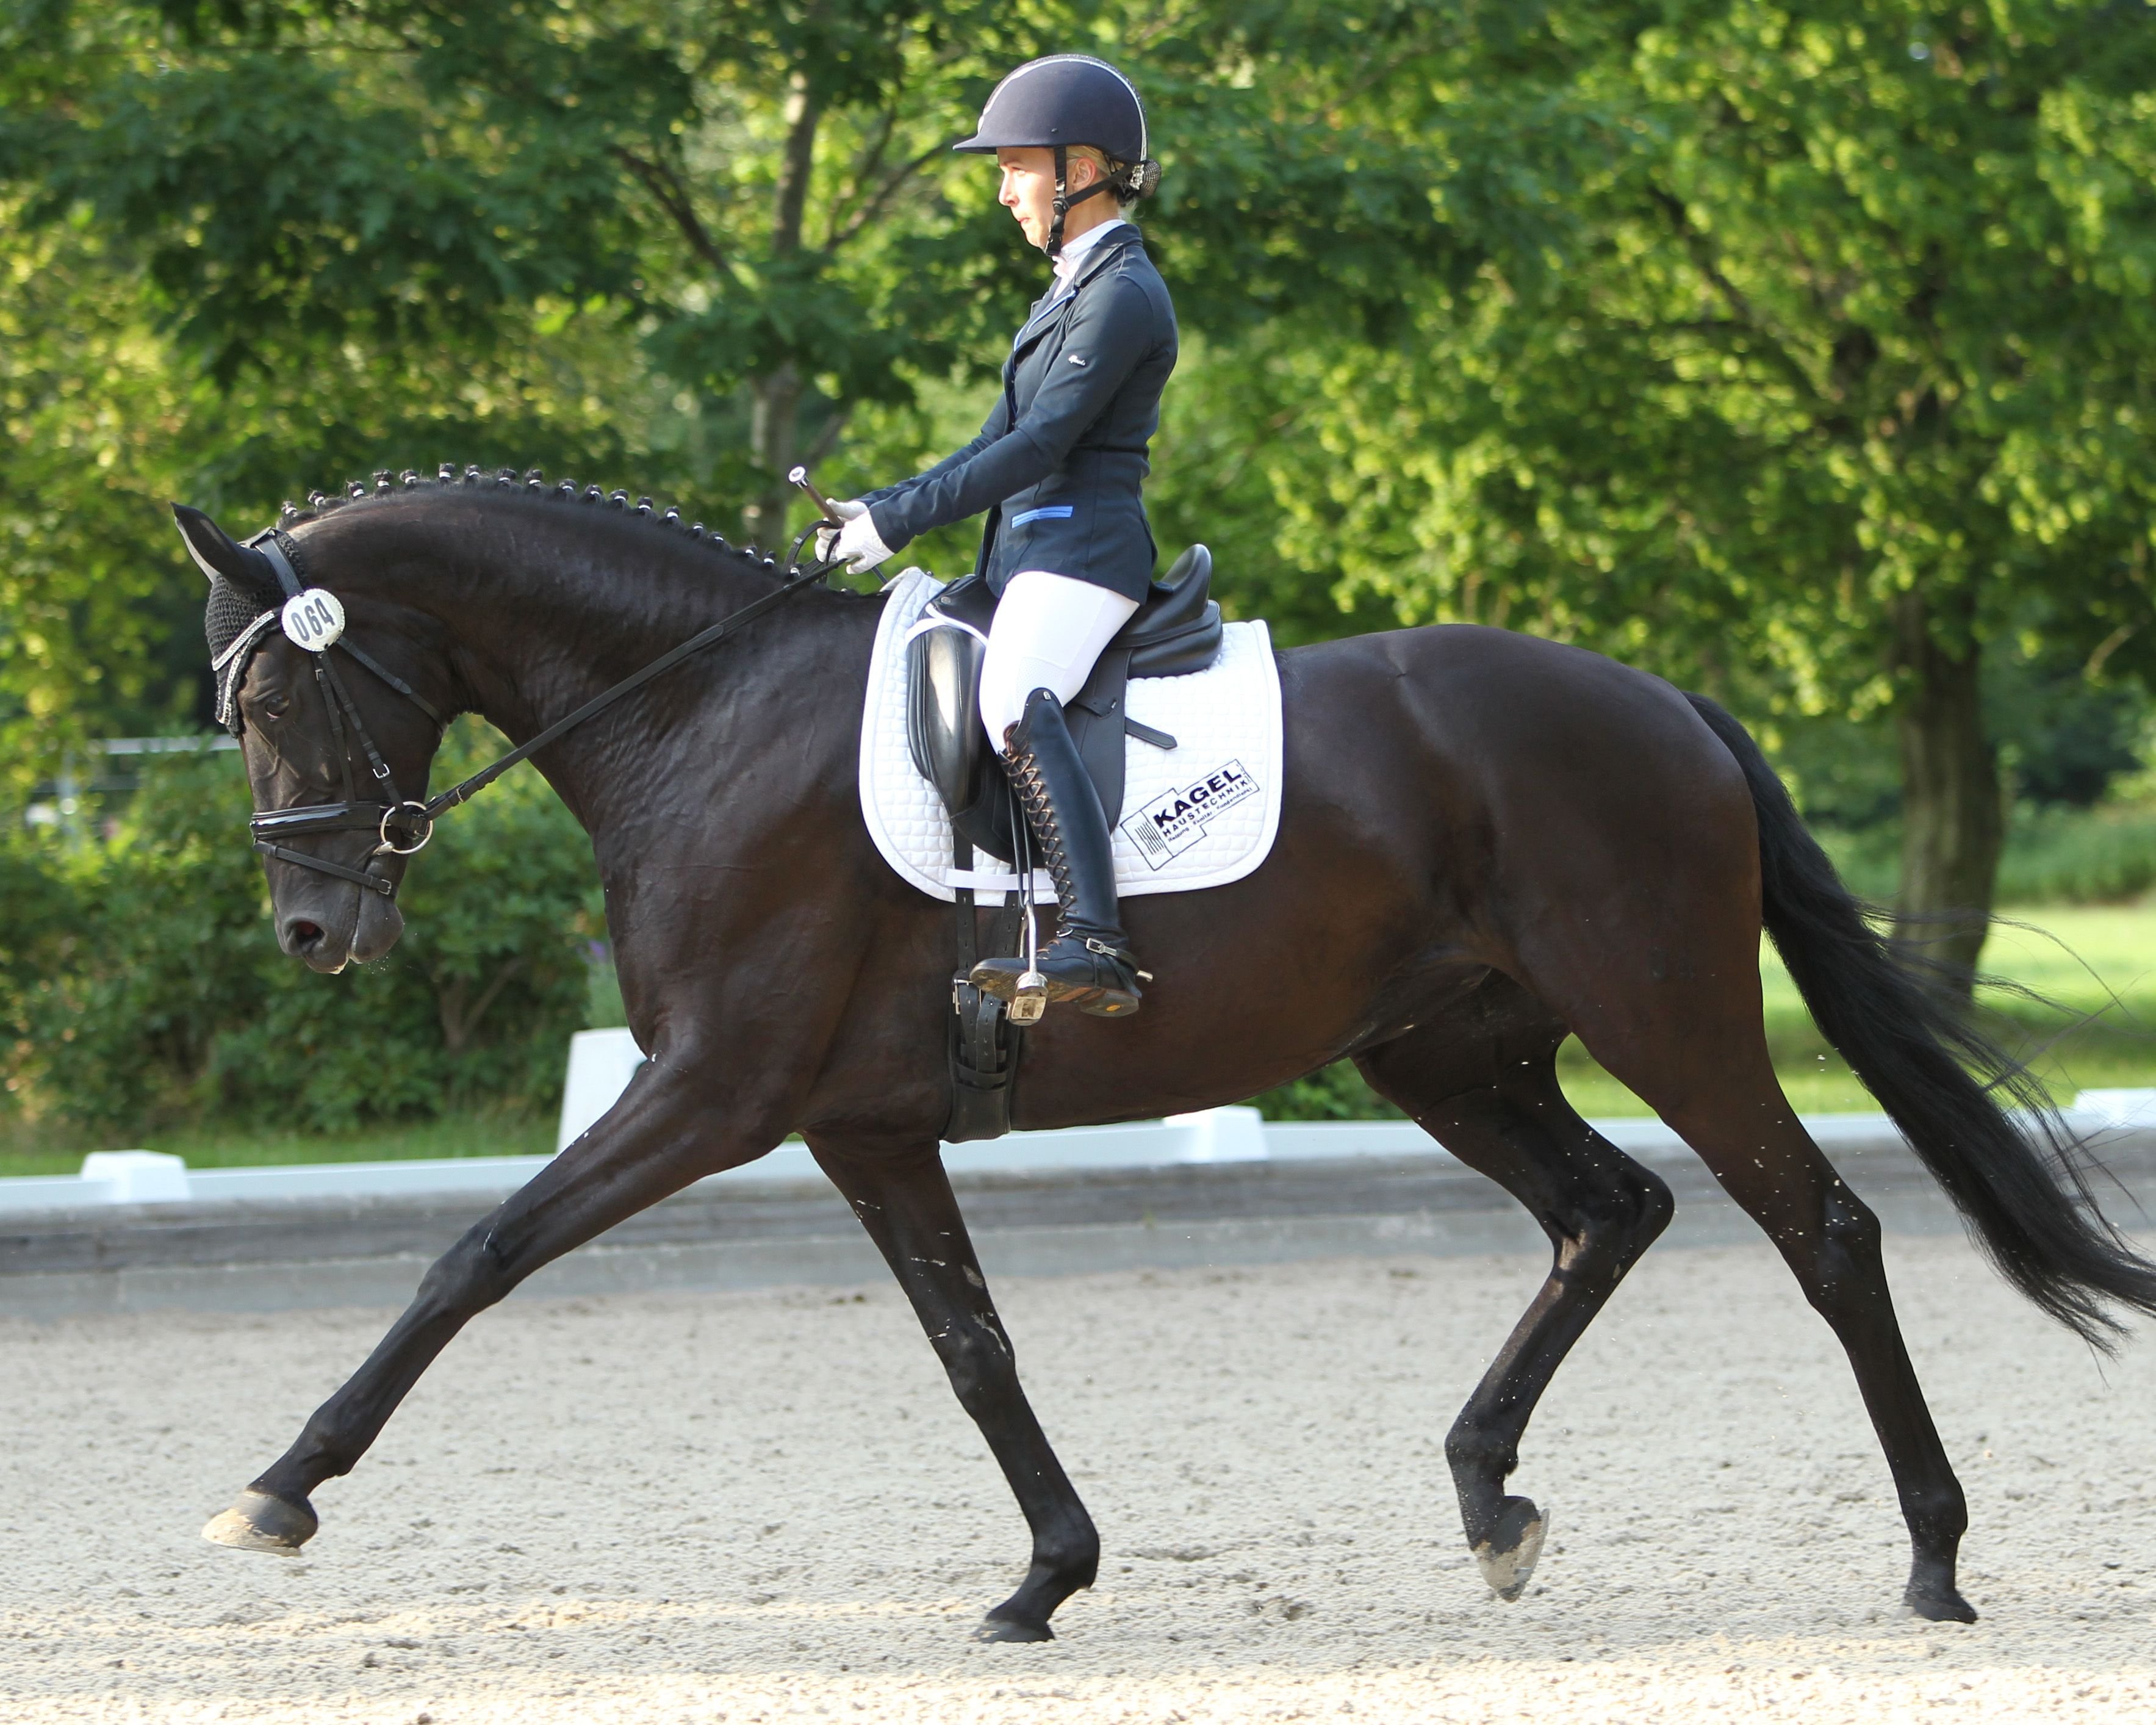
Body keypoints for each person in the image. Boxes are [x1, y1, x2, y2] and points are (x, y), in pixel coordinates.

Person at [823, 54, 1176, 1020]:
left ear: (1082, 167)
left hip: (1083, 552)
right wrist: (875, 512)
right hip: (1027, 555)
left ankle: (1097, 940)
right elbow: (991, 441)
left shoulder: (1122, 295)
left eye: (1015, 167)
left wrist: (897, 523)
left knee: (1016, 699)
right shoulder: (1067, 295)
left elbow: (1043, 446)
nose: (1003, 192)